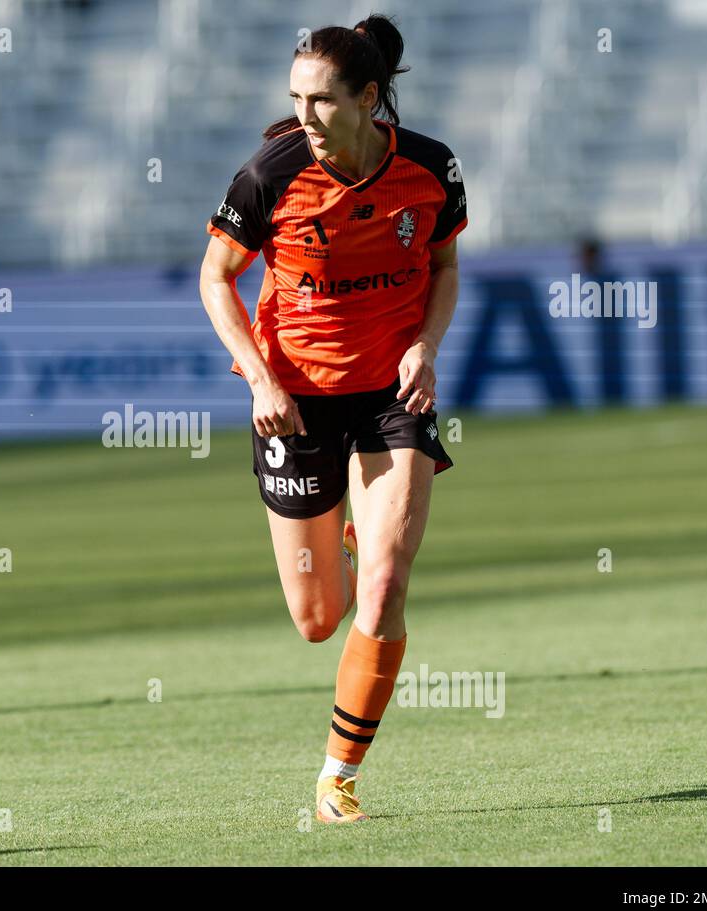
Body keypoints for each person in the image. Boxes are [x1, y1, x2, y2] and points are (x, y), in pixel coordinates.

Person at [199, 14, 466, 822]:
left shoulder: (429, 168)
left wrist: (425, 344)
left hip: (392, 395)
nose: (305, 117)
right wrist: (259, 379)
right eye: (296, 99)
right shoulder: (270, 173)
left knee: (384, 586)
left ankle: (337, 779)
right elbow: (216, 279)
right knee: (319, 621)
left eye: (322, 101)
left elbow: (446, 263)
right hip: (297, 404)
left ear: (370, 99)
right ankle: (348, 533)